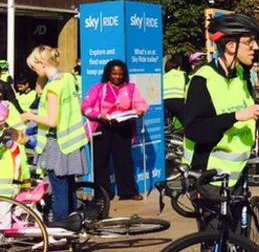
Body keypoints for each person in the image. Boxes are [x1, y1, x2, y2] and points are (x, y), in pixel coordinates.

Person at [182, 14, 259, 225]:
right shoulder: (203, 80)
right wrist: (236, 116)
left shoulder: (240, 75)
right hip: (210, 178)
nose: (255, 47)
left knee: (236, 242)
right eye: (249, 42)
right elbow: (194, 130)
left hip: (237, 175)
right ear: (230, 46)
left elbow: (247, 109)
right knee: (214, 247)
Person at [21, 46, 89, 226]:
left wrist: (29, 116)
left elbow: (52, 121)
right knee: (69, 188)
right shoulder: (68, 79)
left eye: (34, 67)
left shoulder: (53, 88)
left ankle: (60, 227)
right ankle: (74, 225)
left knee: (59, 190)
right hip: (72, 141)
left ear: (41, 63)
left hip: (58, 144)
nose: (34, 71)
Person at [82, 59, 149, 201]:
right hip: (101, 128)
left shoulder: (131, 88)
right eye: (113, 74)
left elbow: (141, 103)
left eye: (120, 74)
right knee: (100, 164)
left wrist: (140, 111)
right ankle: (103, 195)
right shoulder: (98, 88)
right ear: (108, 74)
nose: (117, 77)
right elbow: (85, 107)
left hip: (123, 129)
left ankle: (128, 192)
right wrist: (100, 115)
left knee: (124, 161)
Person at [163, 54, 188, 127]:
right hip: (178, 101)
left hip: (165, 102)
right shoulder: (182, 74)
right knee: (187, 123)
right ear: (178, 67)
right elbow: (188, 86)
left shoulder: (164, 77)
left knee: (167, 125)